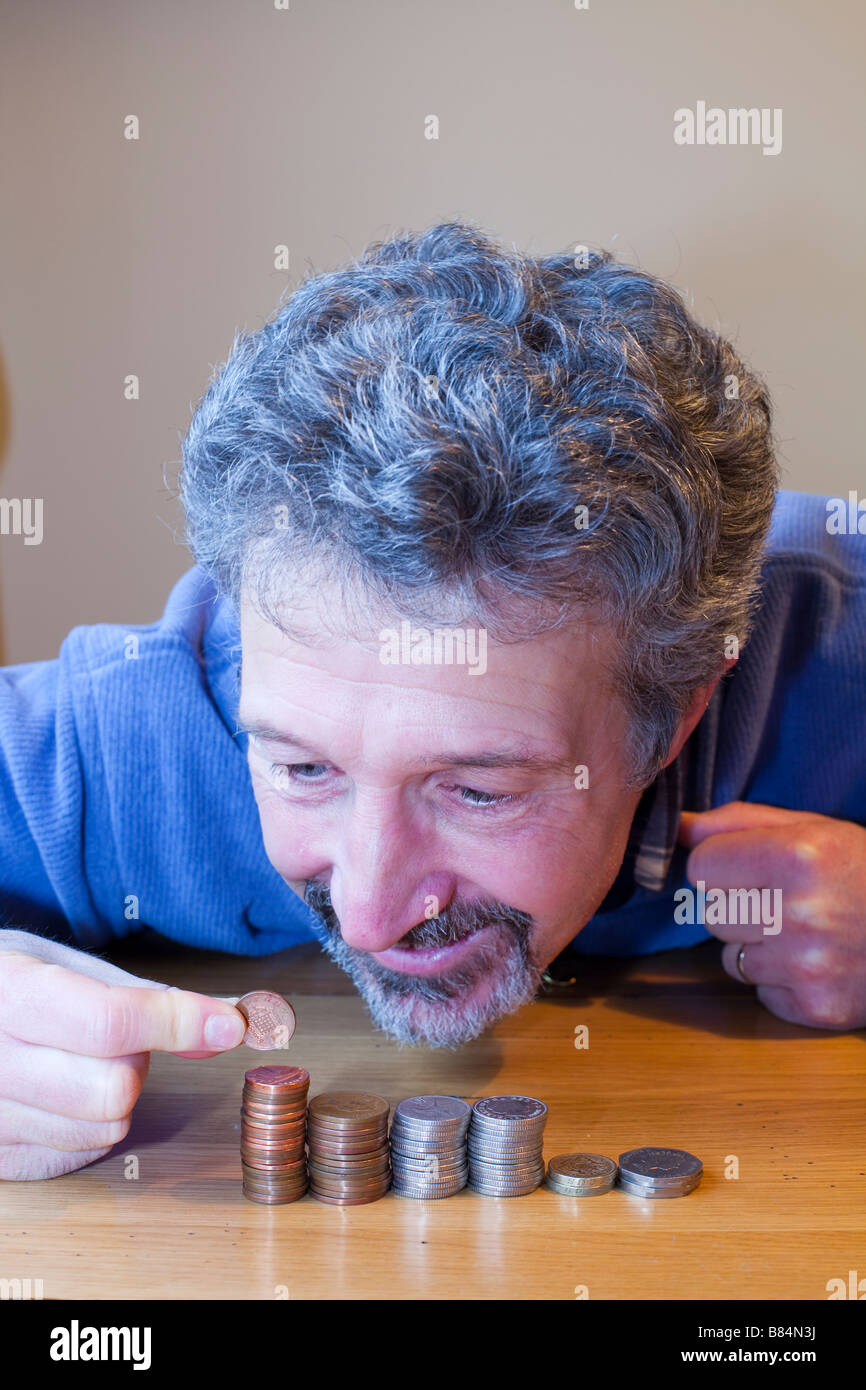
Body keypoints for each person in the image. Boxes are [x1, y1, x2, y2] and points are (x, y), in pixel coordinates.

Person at [1, 221, 864, 1181]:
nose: (369, 914)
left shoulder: (840, 646)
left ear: (680, 713)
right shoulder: (141, 728)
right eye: (301, 768)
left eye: (478, 791)